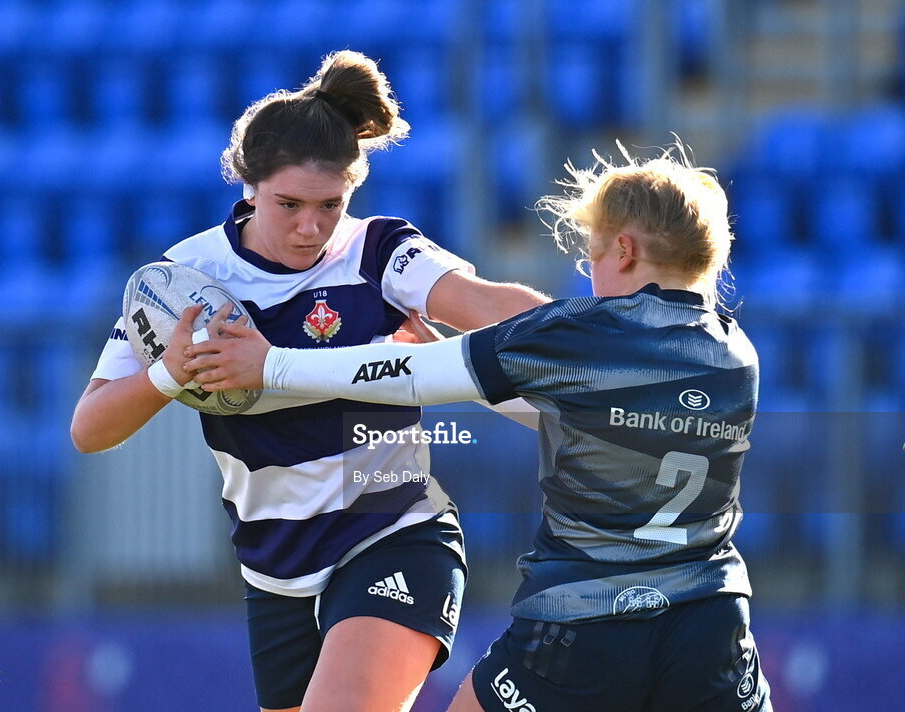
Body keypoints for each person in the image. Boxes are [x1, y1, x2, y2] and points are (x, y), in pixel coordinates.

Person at [182, 142, 773, 712]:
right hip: (711, 619)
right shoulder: (734, 351)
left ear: (622, 249)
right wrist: (446, 352)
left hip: (586, 617)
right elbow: (578, 420)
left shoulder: (584, 330)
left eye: (590, 255)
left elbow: (413, 376)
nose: (589, 275)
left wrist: (272, 365)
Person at [70, 50, 548, 712]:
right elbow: (89, 430)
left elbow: (486, 303)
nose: (309, 226)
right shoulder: (184, 278)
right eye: (288, 204)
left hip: (392, 532)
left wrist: (585, 331)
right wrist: (167, 375)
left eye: (330, 205)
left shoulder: (380, 251)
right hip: (273, 568)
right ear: (246, 185)